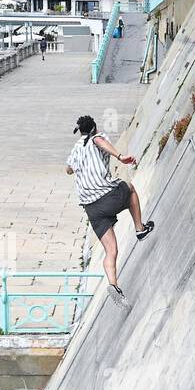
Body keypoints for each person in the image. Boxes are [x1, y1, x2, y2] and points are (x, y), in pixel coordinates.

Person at [65, 115, 154, 308]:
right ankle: (140, 228)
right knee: (130, 188)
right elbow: (99, 141)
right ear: (94, 128)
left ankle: (114, 285)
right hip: (105, 197)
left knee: (111, 250)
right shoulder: (97, 137)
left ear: (80, 132)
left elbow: (68, 169)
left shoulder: (76, 149)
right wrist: (120, 157)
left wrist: (79, 167)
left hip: (91, 209)